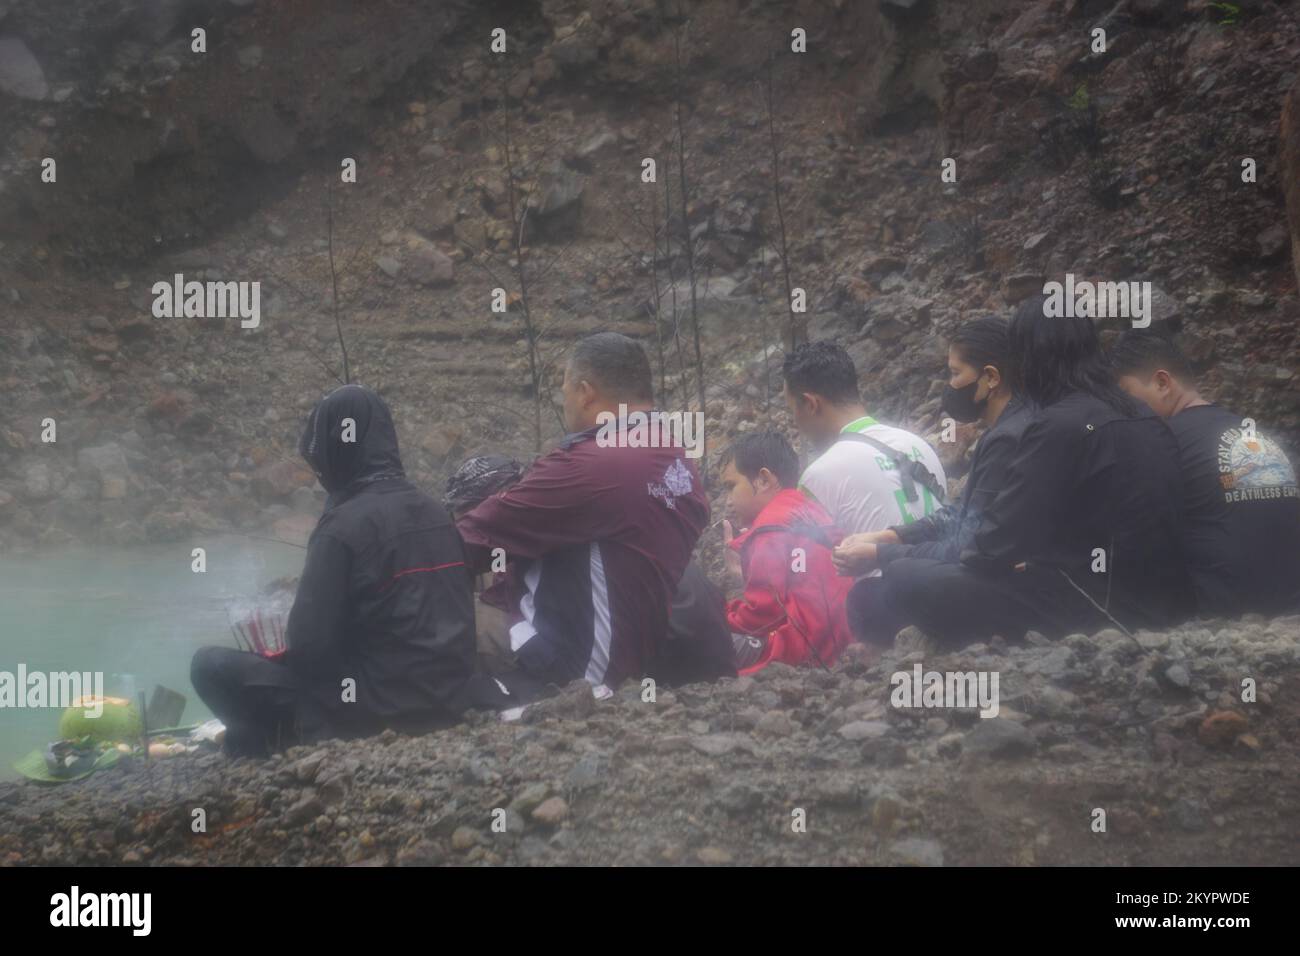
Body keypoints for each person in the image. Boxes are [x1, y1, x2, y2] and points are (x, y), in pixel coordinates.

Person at [873, 295, 1191, 646]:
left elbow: (991, 548)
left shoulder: (1056, 425)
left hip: (1097, 610)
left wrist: (892, 553)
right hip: (1165, 602)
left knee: (905, 577)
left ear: (1029, 359)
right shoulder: (1143, 413)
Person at [191, 384, 486, 757]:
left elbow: (309, 649)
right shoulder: (437, 515)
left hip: (371, 713)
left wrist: (283, 656)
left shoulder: (341, 529)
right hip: (448, 703)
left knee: (209, 665)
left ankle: (269, 748)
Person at [457, 332, 709, 692]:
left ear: (586, 392)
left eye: (565, 390)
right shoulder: (676, 458)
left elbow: (472, 538)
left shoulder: (594, 465)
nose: (564, 402)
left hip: (567, 672)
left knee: (441, 598)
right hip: (632, 666)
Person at [832, 317, 1032, 642]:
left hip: (1017, 584)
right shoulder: (1005, 430)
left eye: (955, 373)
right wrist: (890, 536)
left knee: (885, 588)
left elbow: (967, 547)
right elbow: (961, 514)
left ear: (991, 377)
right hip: (1001, 569)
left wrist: (880, 554)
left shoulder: (1010, 438)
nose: (950, 385)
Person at [1111, 330, 1300, 617]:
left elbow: (1137, 540)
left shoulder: (1164, 443)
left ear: (1163, 383)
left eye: (1126, 396)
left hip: (1222, 617)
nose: (1122, 410)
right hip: (1289, 606)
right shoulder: (1255, 432)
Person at [782, 341, 947, 549]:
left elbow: (812, 571)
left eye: (792, 410)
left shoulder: (818, 477)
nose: (795, 422)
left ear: (810, 404)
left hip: (884, 581)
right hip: (944, 576)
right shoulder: (921, 446)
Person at [720, 429, 854, 673]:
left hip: (798, 652)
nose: (727, 500)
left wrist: (719, 616)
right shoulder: (811, 510)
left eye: (731, 486)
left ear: (763, 480)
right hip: (837, 645)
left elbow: (763, 614)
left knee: (701, 640)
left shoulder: (769, 529)